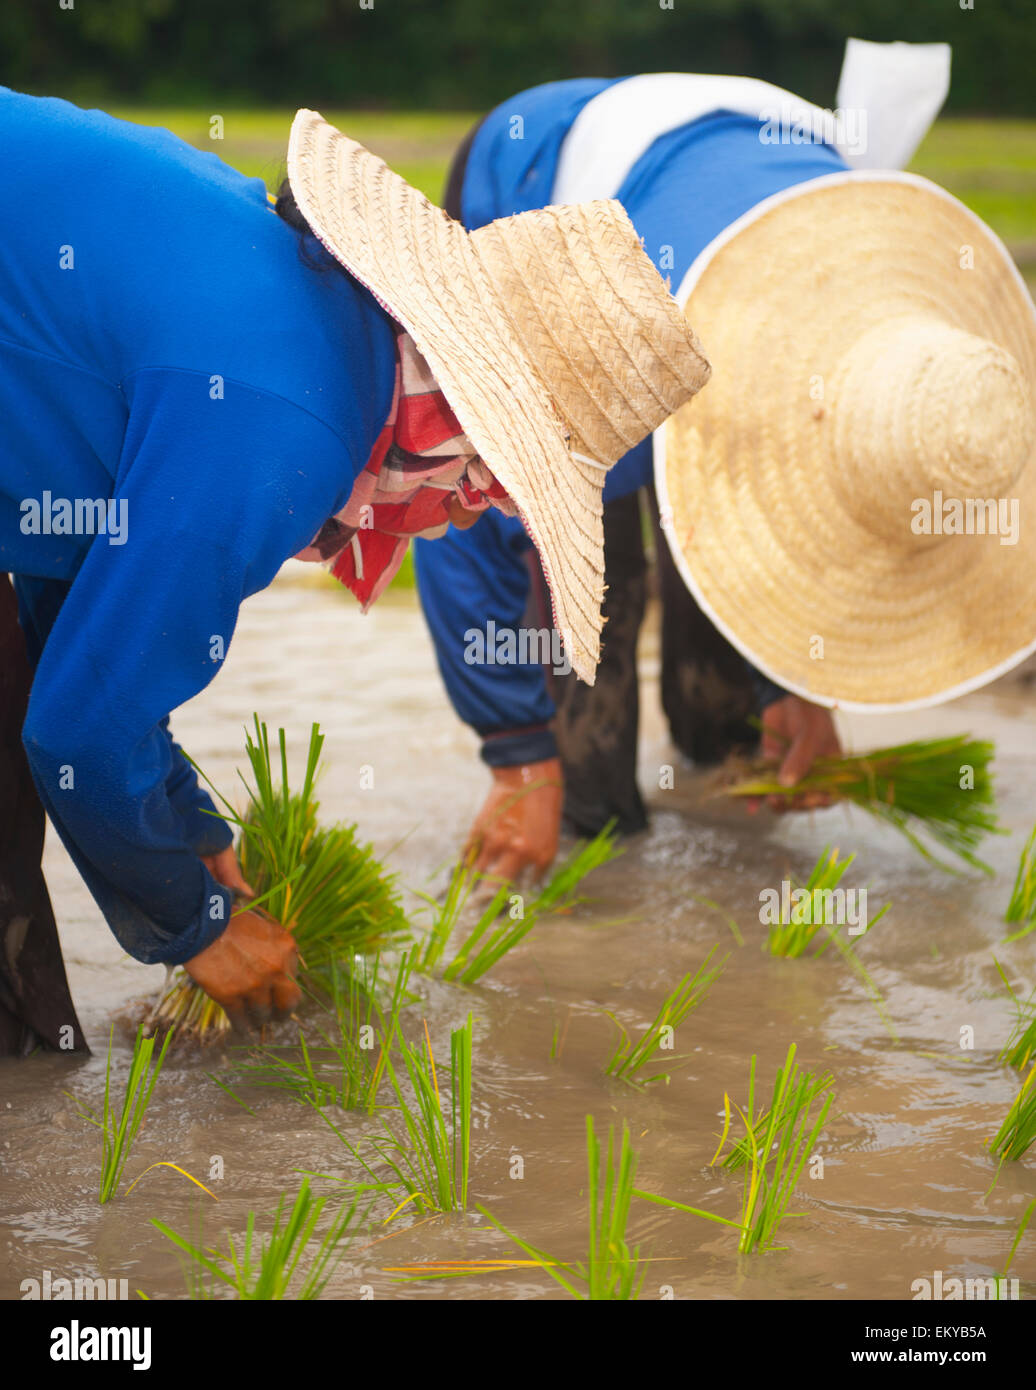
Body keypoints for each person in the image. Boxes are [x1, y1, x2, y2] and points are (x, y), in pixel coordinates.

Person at [0, 89, 709, 1053]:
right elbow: (79, 730)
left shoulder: (323, 324)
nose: (464, 519)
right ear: (460, 441)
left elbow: (74, 597)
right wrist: (198, 931)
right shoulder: (285, 424)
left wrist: (190, 826)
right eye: (487, 494)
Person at [414, 46, 1036, 883]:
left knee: (729, 730)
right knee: (590, 609)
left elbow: (821, 547)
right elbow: (458, 523)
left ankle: (716, 747)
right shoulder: (623, 345)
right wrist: (517, 758)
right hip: (545, 171)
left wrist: (798, 683)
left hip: (744, 176)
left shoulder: (912, 366)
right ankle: (586, 826)